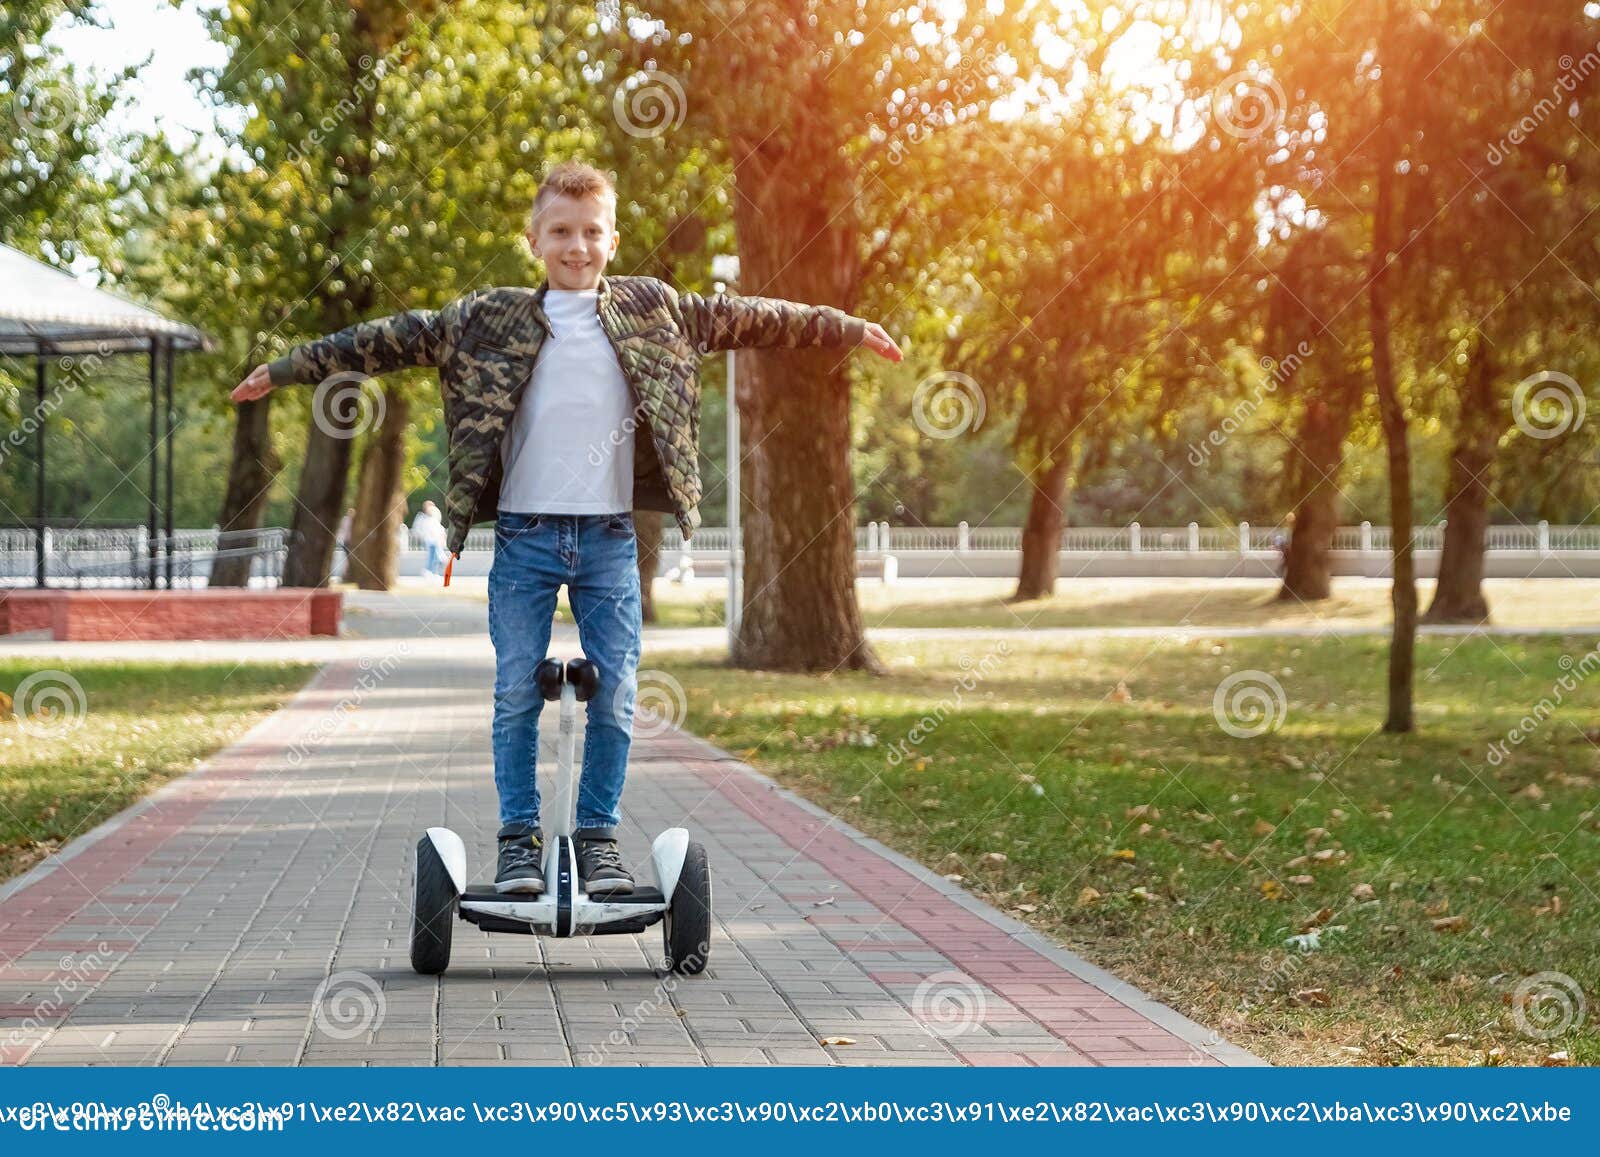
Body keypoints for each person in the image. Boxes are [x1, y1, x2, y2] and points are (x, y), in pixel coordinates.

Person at [231, 160, 902, 895]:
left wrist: (845, 327)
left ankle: (597, 840)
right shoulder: (486, 319)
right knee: (516, 690)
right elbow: (390, 338)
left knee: (616, 692)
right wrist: (288, 368)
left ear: (612, 239)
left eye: (590, 232)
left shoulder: (661, 310)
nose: (575, 246)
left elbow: (758, 318)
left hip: (610, 540)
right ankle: (518, 841)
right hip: (524, 538)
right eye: (560, 232)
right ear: (534, 240)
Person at [411, 500, 447, 578]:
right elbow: (425, 530)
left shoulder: (431, 519)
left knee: (434, 557)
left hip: (434, 540)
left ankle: (432, 572)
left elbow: (438, 529)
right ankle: (430, 572)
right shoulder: (425, 519)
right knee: (433, 557)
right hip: (431, 540)